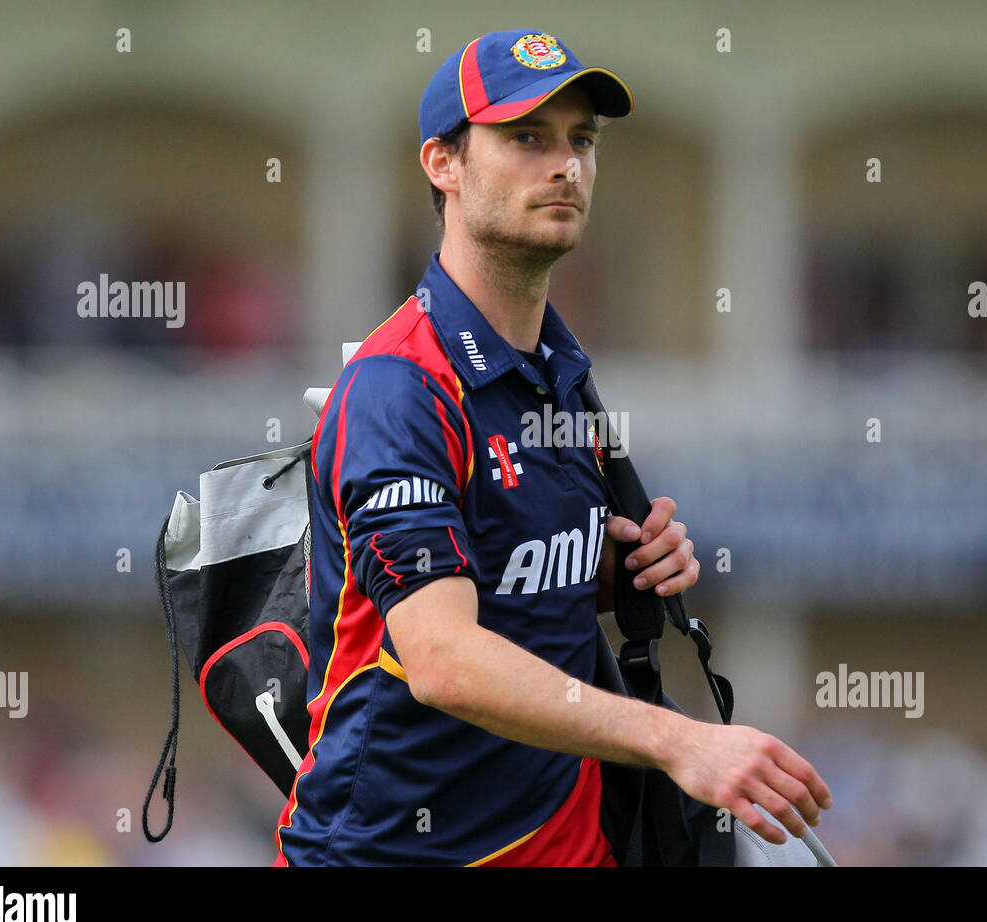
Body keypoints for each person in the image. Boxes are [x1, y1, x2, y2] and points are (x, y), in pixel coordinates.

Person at [274, 28, 831, 866]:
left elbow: (513, 599)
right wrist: (677, 739)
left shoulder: (559, 368)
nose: (565, 165)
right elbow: (441, 659)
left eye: (582, 141)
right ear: (444, 164)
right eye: (526, 138)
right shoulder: (401, 387)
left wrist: (615, 579)